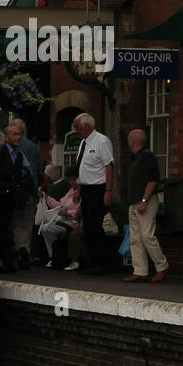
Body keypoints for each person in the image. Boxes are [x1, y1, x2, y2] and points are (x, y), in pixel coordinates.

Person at [124, 129, 169, 283]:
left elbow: (152, 180)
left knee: (147, 236)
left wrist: (144, 201)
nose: (128, 142)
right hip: (134, 202)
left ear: (134, 141)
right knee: (135, 238)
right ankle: (140, 270)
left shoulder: (147, 156)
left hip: (145, 201)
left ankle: (162, 266)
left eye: (129, 139)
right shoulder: (136, 158)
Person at [73, 113, 115, 275]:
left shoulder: (101, 141)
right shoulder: (83, 142)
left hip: (98, 189)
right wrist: (79, 189)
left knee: (95, 227)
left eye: (77, 126)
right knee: (88, 228)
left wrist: (108, 191)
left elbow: (108, 166)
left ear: (87, 126)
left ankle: (101, 263)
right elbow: (84, 169)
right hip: (87, 190)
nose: (76, 130)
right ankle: (92, 262)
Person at [0, 123, 36, 271]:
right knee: (0, 228)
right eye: (14, 134)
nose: (18, 138)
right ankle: (0, 260)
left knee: (9, 228)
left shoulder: (18, 156)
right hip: (0, 198)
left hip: (12, 199)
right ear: (6, 137)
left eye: (19, 135)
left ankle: (8, 260)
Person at [41, 167, 82, 270]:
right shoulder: (71, 190)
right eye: (70, 179)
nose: (72, 182)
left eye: (74, 179)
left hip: (73, 222)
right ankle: (54, 256)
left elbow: (79, 211)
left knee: (48, 228)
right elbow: (60, 205)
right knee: (45, 228)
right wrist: (46, 197)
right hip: (65, 220)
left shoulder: (81, 193)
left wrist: (67, 212)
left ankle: (57, 257)